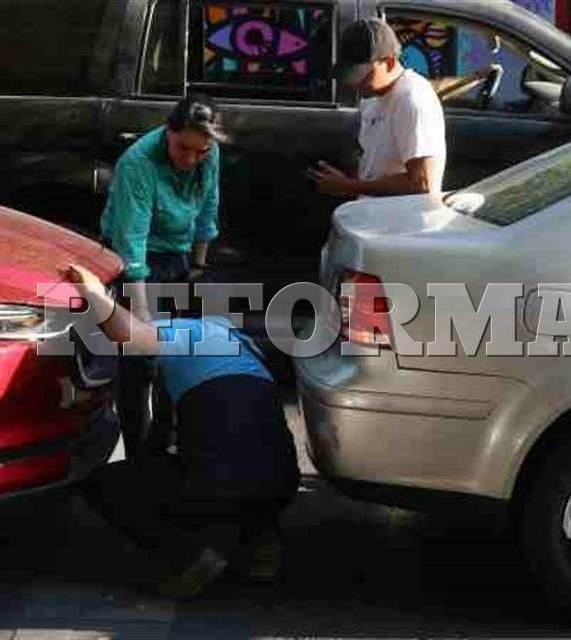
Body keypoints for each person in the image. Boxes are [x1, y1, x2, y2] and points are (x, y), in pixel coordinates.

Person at [65, 263, 300, 597]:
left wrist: (93, 293)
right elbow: (161, 435)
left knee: (101, 484)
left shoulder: (186, 332)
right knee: (247, 456)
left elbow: (124, 332)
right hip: (282, 485)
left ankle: (190, 558)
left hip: (219, 486)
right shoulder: (247, 346)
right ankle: (262, 549)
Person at [100, 96, 225, 460]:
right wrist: (140, 311)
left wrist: (198, 269)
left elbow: (208, 208)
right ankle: (137, 450)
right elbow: (130, 241)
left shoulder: (207, 153)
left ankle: (166, 440)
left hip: (178, 253)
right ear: (167, 133)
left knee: (178, 352)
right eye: (182, 148)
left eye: (200, 152)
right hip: (136, 258)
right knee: (140, 359)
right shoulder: (138, 163)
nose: (190, 159)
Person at [308, 18, 447, 197]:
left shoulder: (412, 99)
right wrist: (346, 183)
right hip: (371, 215)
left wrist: (348, 186)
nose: (356, 84)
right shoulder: (372, 97)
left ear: (389, 62)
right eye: (351, 76)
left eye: (363, 76)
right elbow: (376, 166)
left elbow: (423, 183)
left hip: (400, 222)